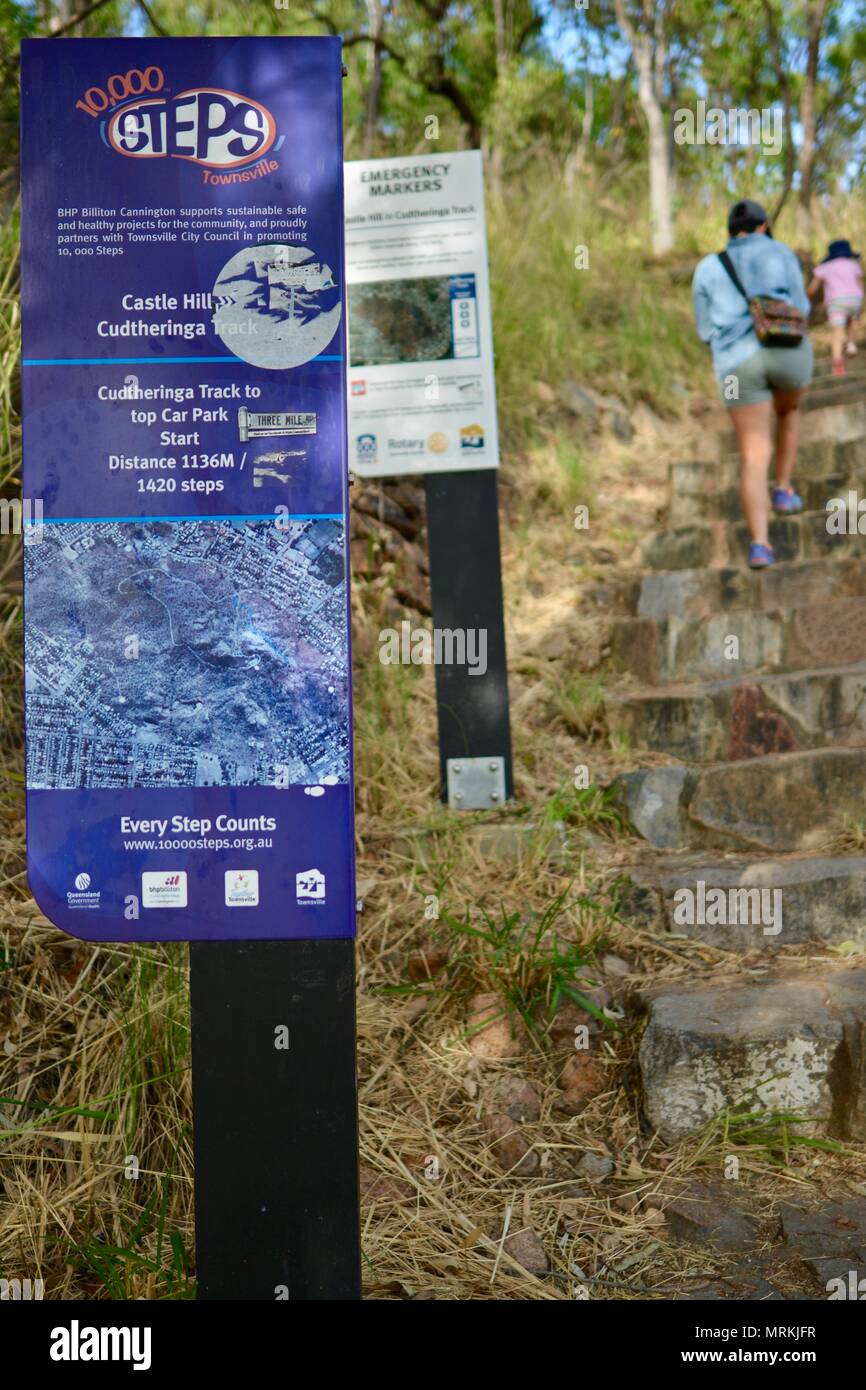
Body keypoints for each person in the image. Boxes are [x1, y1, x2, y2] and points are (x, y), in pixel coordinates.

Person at [693, 199, 813, 569]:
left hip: (735, 366)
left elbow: (703, 330)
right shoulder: (781, 253)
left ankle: (760, 545)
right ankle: (784, 490)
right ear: (763, 226)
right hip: (788, 352)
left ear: (731, 232)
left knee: (752, 452)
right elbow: (803, 308)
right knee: (789, 408)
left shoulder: (707, 267)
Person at [808, 239, 863, 376]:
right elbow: (860, 283)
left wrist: (808, 298)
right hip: (855, 299)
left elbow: (812, 289)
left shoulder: (825, 267)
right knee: (850, 320)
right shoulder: (853, 264)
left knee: (837, 332)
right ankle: (851, 344)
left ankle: (837, 362)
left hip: (837, 301)